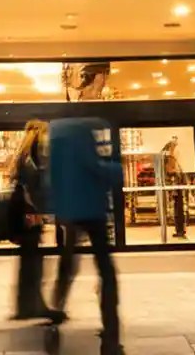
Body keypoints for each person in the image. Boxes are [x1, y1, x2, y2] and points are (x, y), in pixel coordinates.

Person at [47, 117, 125, 355]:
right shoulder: (81, 135)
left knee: (68, 262)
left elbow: (52, 178)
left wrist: (57, 208)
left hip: (69, 211)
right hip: (92, 208)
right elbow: (94, 167)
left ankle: (56, 312)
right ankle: (110, 329)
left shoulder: (56, 138)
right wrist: (114, 169)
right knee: (105, 269)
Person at [9, 120, 53, 320]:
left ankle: (27, 305)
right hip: (29, 214)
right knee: (32, 260)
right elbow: (34, 188)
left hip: (22, 214)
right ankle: (32, 305)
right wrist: (39, 211)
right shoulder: (32, 159)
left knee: (29, 260)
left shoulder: (22, 156)